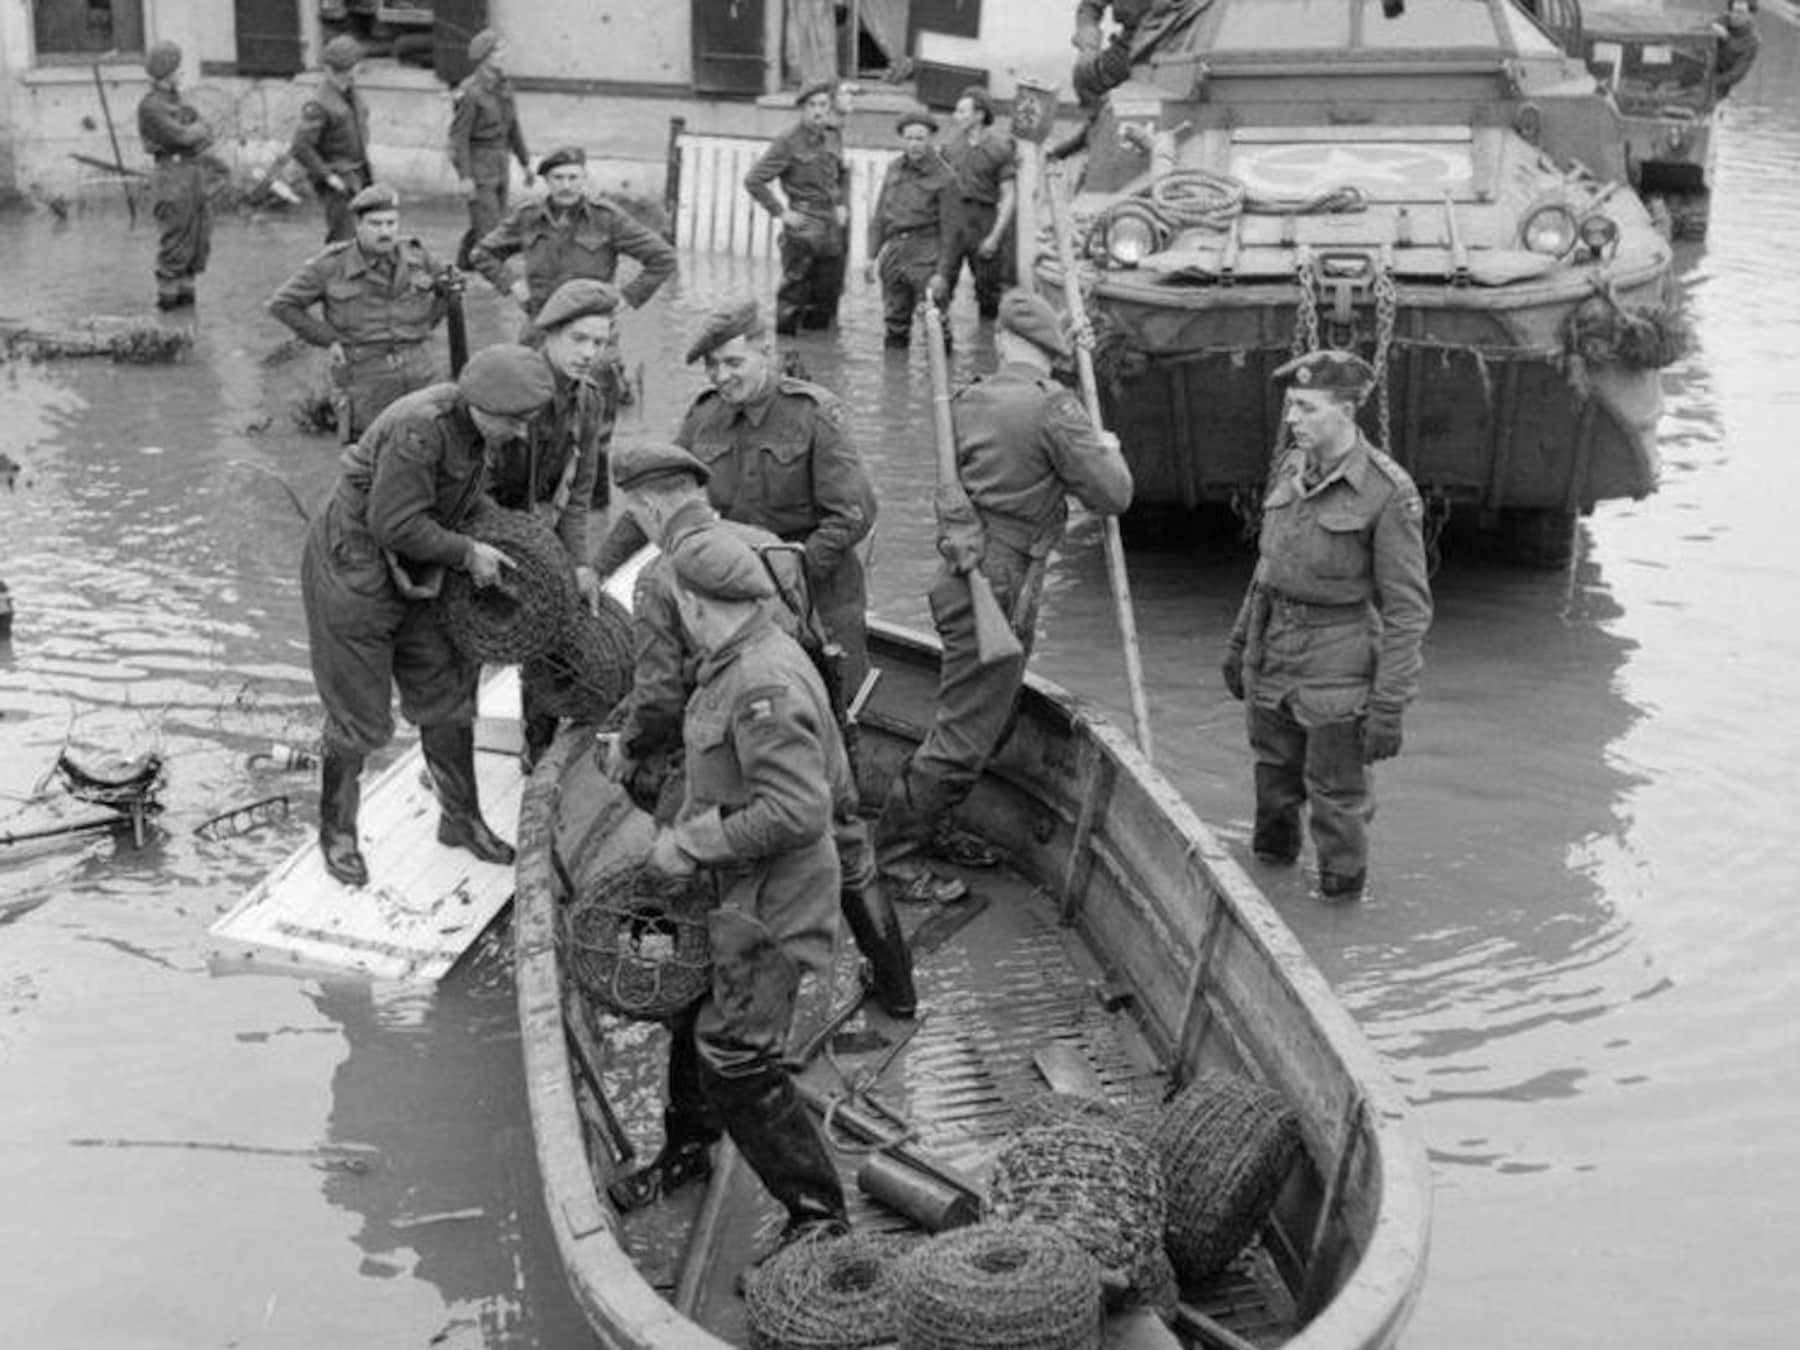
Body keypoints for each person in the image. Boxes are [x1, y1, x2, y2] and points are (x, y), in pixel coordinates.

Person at [596, 441, 917, 1015]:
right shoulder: (768, 544)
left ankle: (699, 1009)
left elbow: (660, 696)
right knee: (853, 857)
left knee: (701, 879)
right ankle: (899, 994)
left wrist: (629, 746)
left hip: (736, 747)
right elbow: (811, 636)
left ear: (649, 508)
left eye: (636, 515)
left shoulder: (663, 576)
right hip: (816, 726)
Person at [610, 525, 852, 1253]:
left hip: (773, 904)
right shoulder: (738, 658)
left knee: (736, 1055)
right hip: (732, 889)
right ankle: (688, 1149)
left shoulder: (759, 683)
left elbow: (800, 810)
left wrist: (690, 843)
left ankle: (817, 1213)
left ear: (692, 604)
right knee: (690, 1015)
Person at [874, 290, 1133, 900]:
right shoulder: (1053, 408)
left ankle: (933, 828)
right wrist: (1109, 449)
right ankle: (896, 858)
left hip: (969, 573)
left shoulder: (968, 399)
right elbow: (1113, 495)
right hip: (1004, 581)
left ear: (1001, 343)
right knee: (964, 735)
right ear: (1052, 351)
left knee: (983, 716)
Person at [301, 344, 557, 889]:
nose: (521, 433)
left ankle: (460, 819)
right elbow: (393, 523)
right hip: (355, 566)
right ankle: (337, 834)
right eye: (513, 421)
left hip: (420, 564)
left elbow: (457, 499)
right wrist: (468, 553)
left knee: (446, 688)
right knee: (358, 711)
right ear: (480, 405)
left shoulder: (474, 429)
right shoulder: (420, 429)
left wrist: (501, 532)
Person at [1220, 350, 1432, 901]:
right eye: (1292, 406)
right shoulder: (1291, 466)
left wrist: (1389, 706)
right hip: (1273, 659)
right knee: (1272, 789)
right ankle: (1268, 897)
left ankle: (1339, 913)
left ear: (1346, 410)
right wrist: (1240, 642)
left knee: (1337, 803)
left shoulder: (1388, 492)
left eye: (1308, 408)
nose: (1293, 418)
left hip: (1338, 668)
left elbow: (1408, 611)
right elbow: (1267, 568)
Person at [674, 299, 876, 696]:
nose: (721, 376)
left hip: (821, 597)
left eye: (733, 363)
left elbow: (853, 515)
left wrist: (789, 580)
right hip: (739, 600)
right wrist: (599, 568)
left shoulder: (814, 413)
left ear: (765, 353)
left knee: (840, 705)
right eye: (712, 366)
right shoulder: (703, 418)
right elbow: (665, 494)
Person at [489, 279, 615, 766]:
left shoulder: (590, 400)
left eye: (599, 342)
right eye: (578, 339)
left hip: (541, 528)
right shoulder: (514, 384)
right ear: (550, 335)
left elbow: (579, 494)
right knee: (469, 639)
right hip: (486, 525)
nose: (589, 353)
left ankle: (537, 747)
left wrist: (578, 564)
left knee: (554, 621)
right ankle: (447, 761)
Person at [267, 184, 450, 441]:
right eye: (376, 224)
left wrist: (426, 325)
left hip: (419, 371)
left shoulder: (418, 257)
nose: (385, 232)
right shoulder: (331, 266)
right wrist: (328, 339)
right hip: (365, 377)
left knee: (430, 442)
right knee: (370, 449)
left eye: (391, 223)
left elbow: (449, 289)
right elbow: (281, 304)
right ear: (358, 225)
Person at [467, 145, 677, 323]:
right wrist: (514, 285)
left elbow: (664, 258)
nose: (566, 186)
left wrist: (627, 298)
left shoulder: (606, 217)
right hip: (541, 321)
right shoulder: (528, 216)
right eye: (558, 178)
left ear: (584, 178)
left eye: (573, 177)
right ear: (546, 180)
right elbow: (482, 253)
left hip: (592, 325)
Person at [744, 80, 851, 334]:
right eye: (812, 105)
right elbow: (753, 180)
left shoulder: (833, 136)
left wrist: (841, 203)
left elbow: (840, 173)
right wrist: (781, 213)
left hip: (832, 225)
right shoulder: (788, 141)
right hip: (804, 223)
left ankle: (819, 351)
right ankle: (787, 347)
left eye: (823, 105)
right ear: (802, 109)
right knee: (795, 291)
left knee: (828, 292)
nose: (818, 111)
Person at [135, 41, 214, 311]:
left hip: (193, 173)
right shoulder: (150, 107)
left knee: (197, 242)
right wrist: (196, 131)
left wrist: (196, 132)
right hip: (173, 177)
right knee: (175, 244)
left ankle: (188, 319)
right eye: (178, 69)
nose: (181, 74)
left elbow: (206, 131)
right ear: (166, 73)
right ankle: (168, 317)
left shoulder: (179, 101)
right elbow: (181, 137)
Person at [865, 110, 954, 349]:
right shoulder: (894, 168)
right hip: (894, 253)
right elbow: (880, 215)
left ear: (931, 139)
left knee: (934, 322)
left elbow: (951, 232)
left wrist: (942, 273)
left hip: (927, 254)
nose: (914, 144)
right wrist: (871, 256)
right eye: (909, 138)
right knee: (894, 321)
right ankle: (895, 369)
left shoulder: (945, 177)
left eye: (920, 138)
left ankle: (942, 370)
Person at [448, 27, 531, 270]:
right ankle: (493, 275)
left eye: (503, 49)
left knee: (491, 220)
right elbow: (459, 138)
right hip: (479, 164)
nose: (503, 55)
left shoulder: (504, 86)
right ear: (485, 57)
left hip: (500, 161)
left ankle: (464, 266)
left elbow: (513, 127)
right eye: (498, 51)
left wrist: (525, 163)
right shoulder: (472, 92)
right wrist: (465, 176)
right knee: (491, 227)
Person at [931, 87, 1016, 321]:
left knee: (989, 291)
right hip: (953, 221)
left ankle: (987, 337)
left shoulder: (1000, 148)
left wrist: (995, 237)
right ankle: (940, 336)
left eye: (962, 112)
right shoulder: (949, 147)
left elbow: (1009, 195)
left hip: (984, 220)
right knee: (940, 285)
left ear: (979, 115)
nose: (956, 116)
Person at [290, 34, 372, 244]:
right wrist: (328, 176)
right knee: (343, 238)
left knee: (368, 234)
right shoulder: (319, 103)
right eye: (353, 66)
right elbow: (300, 146)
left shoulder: (350, 93)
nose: (357, 71)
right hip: (339, 178)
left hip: (359, 173)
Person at [1714, 0, 1760, 98]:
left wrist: (1726, 38)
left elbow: (1737, 74)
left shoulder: (1752, 41)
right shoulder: (1723, 20)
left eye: (1741, 12)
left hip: (1717, 85)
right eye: (1733, 11)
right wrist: (1709, 28)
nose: (1735, 15)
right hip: (1697, 72)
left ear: (1750, 15)